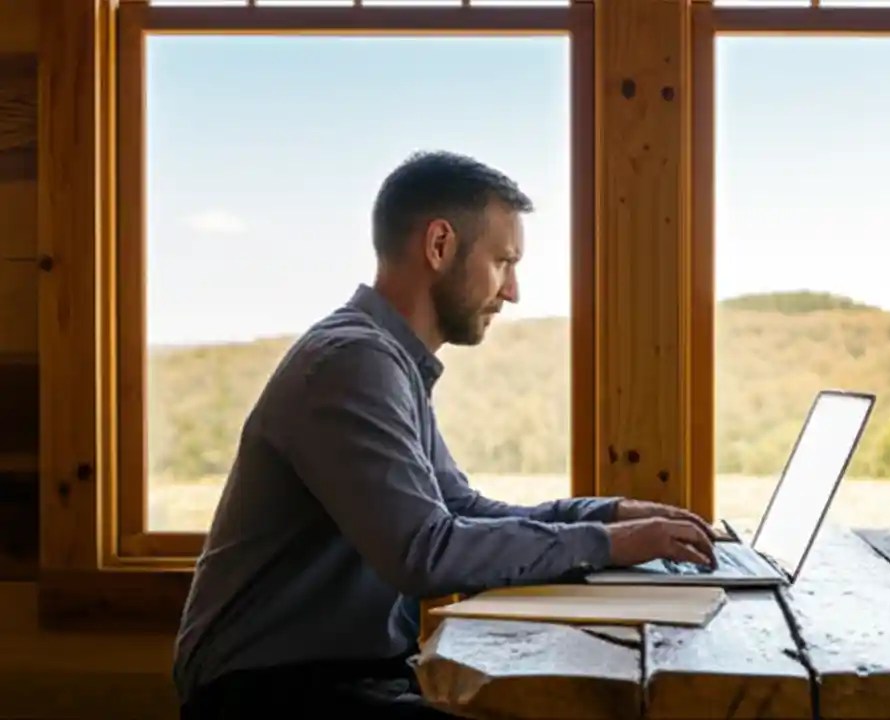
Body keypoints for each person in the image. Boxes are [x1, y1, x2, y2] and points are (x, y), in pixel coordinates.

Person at [173, 150, 718, 719]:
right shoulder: (351, 362)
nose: (512, 292)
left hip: (333, 680)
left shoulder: (385, 360)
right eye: (504, 261)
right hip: (266, 695)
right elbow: (425, 552)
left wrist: (604, 516)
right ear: (439, 245)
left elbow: (459, 508)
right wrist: (609, 545)